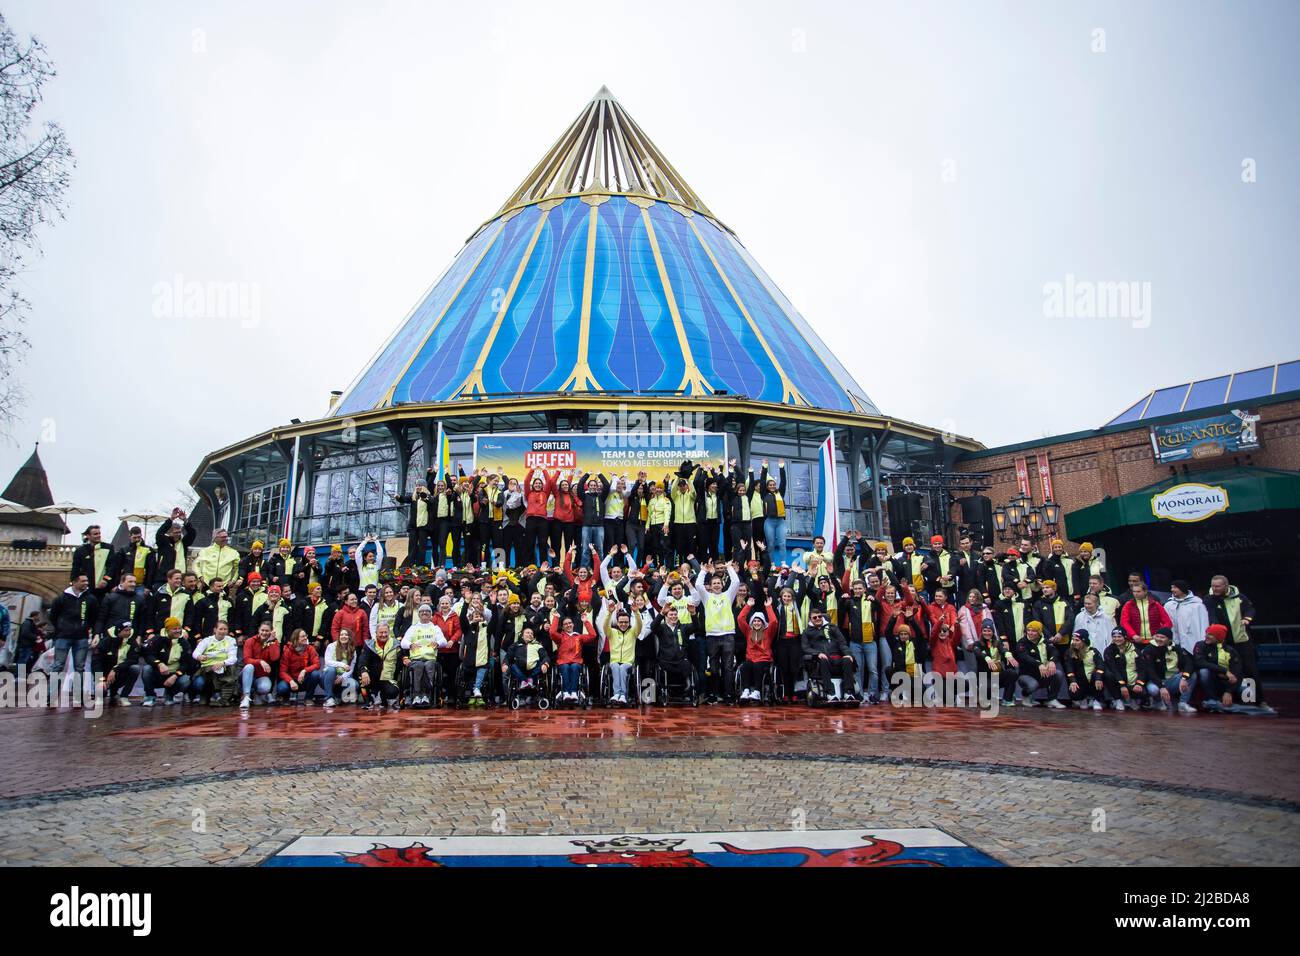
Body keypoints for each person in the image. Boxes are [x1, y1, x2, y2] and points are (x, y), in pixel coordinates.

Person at [1203, 575, 1264, 706]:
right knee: (1226, 670)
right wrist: (1215, 628)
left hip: (1242, 640)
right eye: (1213, 586)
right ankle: (1228, 698)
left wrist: (1247, 619)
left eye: (1218, 586)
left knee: (1249, 670)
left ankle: (1255, 700)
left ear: (1226, 586)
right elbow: (1211, 614)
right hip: (1223, 642)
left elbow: (1250, 609)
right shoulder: (1209, 599)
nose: (1214, 588)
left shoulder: (1240, 597)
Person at [49, 574, 97, 701]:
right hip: (63, 636)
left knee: (79, 667)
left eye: (87, 580)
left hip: (81, 636)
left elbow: (93, 617)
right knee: (58, 665)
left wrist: (87, 627)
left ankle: (78, 696)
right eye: (83, 581)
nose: (86, 583)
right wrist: (61, 628)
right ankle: (52, 696)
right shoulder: (61, 598)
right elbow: (53, 616)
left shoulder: (90, 599)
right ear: (74, 582)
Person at [596, 597, 647, 705]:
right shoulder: (612, 632)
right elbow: (605, 626)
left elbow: (640, 625)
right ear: (617, 622)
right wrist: (610, 613)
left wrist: (636, 612)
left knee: (622, 667)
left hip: (628, 663)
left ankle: (623, 695)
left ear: (629, 622)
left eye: (626, 622)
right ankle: (616, 694)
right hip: (614, 661)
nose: (623, 624)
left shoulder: (633, 632)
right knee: (615, 666)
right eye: (621, 622)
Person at [800, 606, 856, 702]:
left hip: (836, 657)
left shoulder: (832, 627)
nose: (818, 619)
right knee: (823, 660)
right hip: (821, 660)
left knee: (847, 659)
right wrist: (817, 653)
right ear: (810, 619)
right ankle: (830, 693)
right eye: (814, 617)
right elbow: (805, 648)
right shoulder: (806, 632)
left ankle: (849, 692)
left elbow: (842, 643)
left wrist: (847, 654)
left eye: (819, 616)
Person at [1140, 627, 1196, 713]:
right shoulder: (1149, 650)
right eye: (1157, 636)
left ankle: (1183, 703)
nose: (1159, 639)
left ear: (1169, 639)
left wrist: (1184, 678)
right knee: (1153, 689)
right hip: (1155, 681)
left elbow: (1189, 663)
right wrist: (1161, 686)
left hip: (1172, 679)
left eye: (1162, 637)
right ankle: (1158, 701)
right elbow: (1150, 671)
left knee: (1192, 675)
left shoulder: (1177, 648)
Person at [141, 617, 194, 705]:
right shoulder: (157, 639)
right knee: (147, 669)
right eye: (174, 629)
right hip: (159, 673)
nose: (177, 631)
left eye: (179, 628)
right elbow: (149, 655)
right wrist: (159, 664)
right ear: (168, 630)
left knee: (186, 680)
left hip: (174, 675)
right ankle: (150, 695)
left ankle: (169, 695)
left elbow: (186, 663)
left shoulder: (184, 643)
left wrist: (175, 676)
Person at [1015, 620, 1064, 708]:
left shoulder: (1045, 642)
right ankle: (1025, 696)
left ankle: (1051, 699)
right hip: (1026, 675)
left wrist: (1052, 661)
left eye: (1033, 631)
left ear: (1039, 632)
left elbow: (1055, 652)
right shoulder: (1022, 643)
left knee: (1058, 674)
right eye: (1028, 630)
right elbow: (1024, 657)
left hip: (1043, 674)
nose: (1030, 633)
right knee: (1032, 685)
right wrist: (1039, 664)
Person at [1194, 623, 1241, 711]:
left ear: (1219, 637)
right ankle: (1212, 700)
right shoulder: (1200, 645)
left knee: (1247, 686)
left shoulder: (1230, 651)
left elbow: (1237, 672)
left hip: (1226, 683)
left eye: (1210, 634)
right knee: (1203, 672)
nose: (1206, 636)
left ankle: (1235, 703)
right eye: (1206, 633)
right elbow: (1199, 662)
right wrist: (1224, 671)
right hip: (1211, 681)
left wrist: (1228, 691)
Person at [192, 620, 239, 706]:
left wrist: (223, 663)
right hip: (207, 670)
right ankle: (205, 694)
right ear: (215, 630)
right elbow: (195, 653)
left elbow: (233, 658)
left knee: (229, 677)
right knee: (199, 683)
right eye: (220, 629)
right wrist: (199, 656)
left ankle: (220, 697)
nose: (223, 631)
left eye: (225, 629)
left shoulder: (231, 641)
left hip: (224, 669)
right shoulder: (207, 640)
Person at [358, 621, 402, 710]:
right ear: (376, 633)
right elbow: (362, 661)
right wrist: (364, 671)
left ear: (389, 633)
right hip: (372, 677)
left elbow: (401, 662)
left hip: (388, 678)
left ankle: (384, 697)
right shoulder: (369, 645)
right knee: (361, 674)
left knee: (392, 692)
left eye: (385, 632)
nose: (383, 635)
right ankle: (368, 701)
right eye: (381, 632)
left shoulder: (396, 644)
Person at [239, 621, 281, 708]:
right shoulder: (250, 641)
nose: (264, 633)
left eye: (267, 631)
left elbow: (274, 658)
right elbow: (246, 659)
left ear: (271, 632)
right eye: (262, 630)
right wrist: (260, 661)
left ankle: (255, 693)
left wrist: (272, 641)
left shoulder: (274, 642)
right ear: (259, 630)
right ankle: (246, 696)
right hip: (247, 674)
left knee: (265, 687)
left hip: (261, 676)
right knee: (249, 667)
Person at [100, 621, 143, 706]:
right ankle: (107, 693)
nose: (128, 633)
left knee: (135, 668)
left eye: (129, 630)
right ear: (119, 631)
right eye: (126, 630)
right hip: (105, 675)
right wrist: (101, 679)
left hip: (120, 672)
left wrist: (115, 669)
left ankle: (124, 696)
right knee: (101, 693)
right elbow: (97, 662)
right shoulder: (106, 641)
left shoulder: (132, 642)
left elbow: (133, 659)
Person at [1101, 626, 1141, 711]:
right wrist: (1122, 685)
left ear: (1125, 637)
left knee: (1144, 691)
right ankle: (1117, 699)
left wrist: (1139, 683)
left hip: (1132, 677)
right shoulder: (1108, 650)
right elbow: (1113, 669)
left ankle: (1134, 698)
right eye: (1114, 637)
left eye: (1119, 637)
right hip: (1117, 679)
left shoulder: (1134, 649)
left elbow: (1142, 668)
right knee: (1108, 675)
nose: (1117, 639)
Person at [72, 524, 119, 597]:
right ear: (88, 536)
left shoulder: (108, 548)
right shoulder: (80, 551)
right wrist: (73, 582)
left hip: (104, 587)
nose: (98, 535)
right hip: (86, 587)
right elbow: (75, 568)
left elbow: (112, 567)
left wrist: (106, 580)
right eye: (95, 534)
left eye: (99, 533)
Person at [1120, 580, 1172, 645]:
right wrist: (1133, 635)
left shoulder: (1155, 604)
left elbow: (1168, 622)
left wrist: (1158, 635)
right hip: (1135, 640)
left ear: (1145, 591)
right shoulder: (1128, 605)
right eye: (1134, 591)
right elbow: (1124, 622)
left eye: (1138, 591)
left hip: (1155, 641)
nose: (1135, 594)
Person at [277, 628, 321, 704]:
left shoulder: (310, 648)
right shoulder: (288, 651)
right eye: (302, 636)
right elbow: (282, 672)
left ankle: (308, 698)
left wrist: (304, 671)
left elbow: (317, 664)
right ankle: (285, 698)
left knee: (316, 674)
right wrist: (290, 681)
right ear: (296, 639)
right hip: (291, 680)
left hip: (304, 679)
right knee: (282, 688)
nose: (305, 638)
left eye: (305, 636)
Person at [1064, 629, 1105, 711]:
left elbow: (1100, 665)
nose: (1074, 642)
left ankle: (1097, 699)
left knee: (1099, 677)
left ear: (1083, 641)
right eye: (1073, 640)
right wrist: (1072, 681)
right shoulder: (1070, 652)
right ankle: (1083, 698)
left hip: (1093, 680)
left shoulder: (1093, 651)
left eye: (1077, 640)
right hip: (1080, 680)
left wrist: (1098, 678)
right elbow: (1069, 668)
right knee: (1074, 691)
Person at [1164, 580, 1208, 654]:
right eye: (1171, 588)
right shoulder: (1169, 605)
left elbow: (1204, 623)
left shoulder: (1197, 605)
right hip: (1175, 642)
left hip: (1193, 640)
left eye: (1175, 587)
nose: (1172, 590)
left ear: (1182, 589)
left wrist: (1203, 641)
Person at [501, 624, 549, 691]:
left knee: (540, 663)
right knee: (512, 665)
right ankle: (525, 681)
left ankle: (529, 680)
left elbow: (545, 656)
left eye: (531, 633)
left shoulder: (537, 645)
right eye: (527, 633)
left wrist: (545, 664)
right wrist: (505, 664)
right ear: (522, 635)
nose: (530, 634)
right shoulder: (516, 645)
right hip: (520, 668)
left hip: (534, 669)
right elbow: (508, 656)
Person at [320, 627, 360, 707]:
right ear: (339, 637)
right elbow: (328, 662)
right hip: (328, 677)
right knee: (331, 670)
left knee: (354, 684)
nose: (343, 636)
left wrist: (342, 677)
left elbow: (351, 668)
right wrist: (342, 665)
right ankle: (329, 698)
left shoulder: (353, 650)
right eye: (341, 635)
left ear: (349, 637)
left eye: (346, 635)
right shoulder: (331, 646)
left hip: (342, 678)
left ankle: (338, 697)